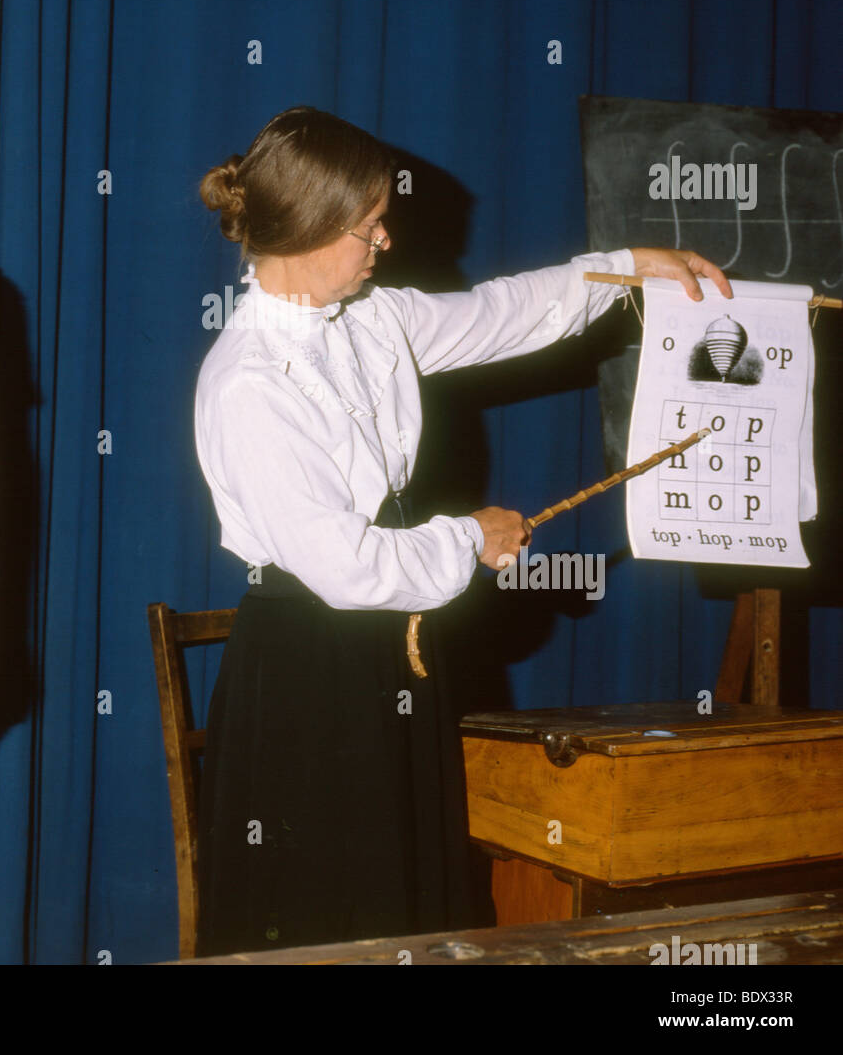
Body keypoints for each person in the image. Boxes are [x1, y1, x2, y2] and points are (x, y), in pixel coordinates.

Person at [193, 104, 730, 956]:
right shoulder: (248, 382)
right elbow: (345, 567)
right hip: (309, 673)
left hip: (388, 652)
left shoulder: (370, 322)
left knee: (406, 899)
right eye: (370, 227)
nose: (384, 243)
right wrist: (468, 540)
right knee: (331, 910)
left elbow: (502, 312)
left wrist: (631, 269)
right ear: (315, 224)